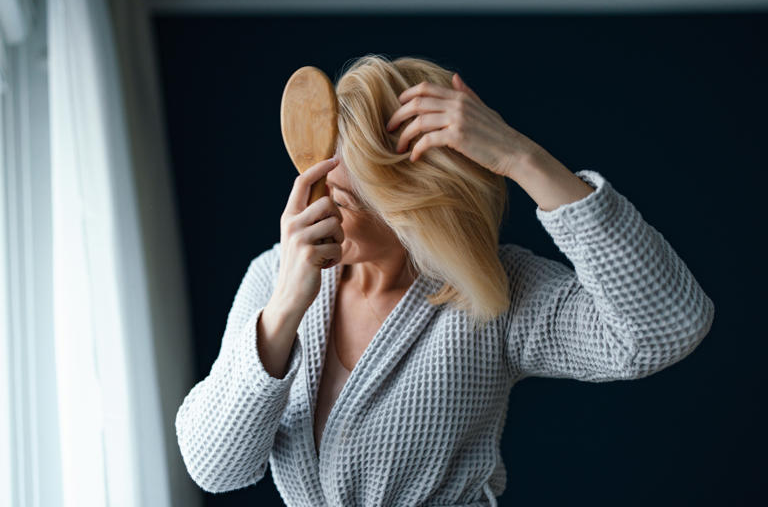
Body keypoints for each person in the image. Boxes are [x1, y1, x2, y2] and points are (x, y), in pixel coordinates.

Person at [175, 54, 715, 506]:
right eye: (330, 153)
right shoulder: (277, 275)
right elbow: (214, 467)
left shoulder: (494, 291)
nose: (326, 179)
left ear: (416, 193)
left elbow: (665, 326)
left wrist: (520, 156)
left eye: (355, 167)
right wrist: (283, 313)